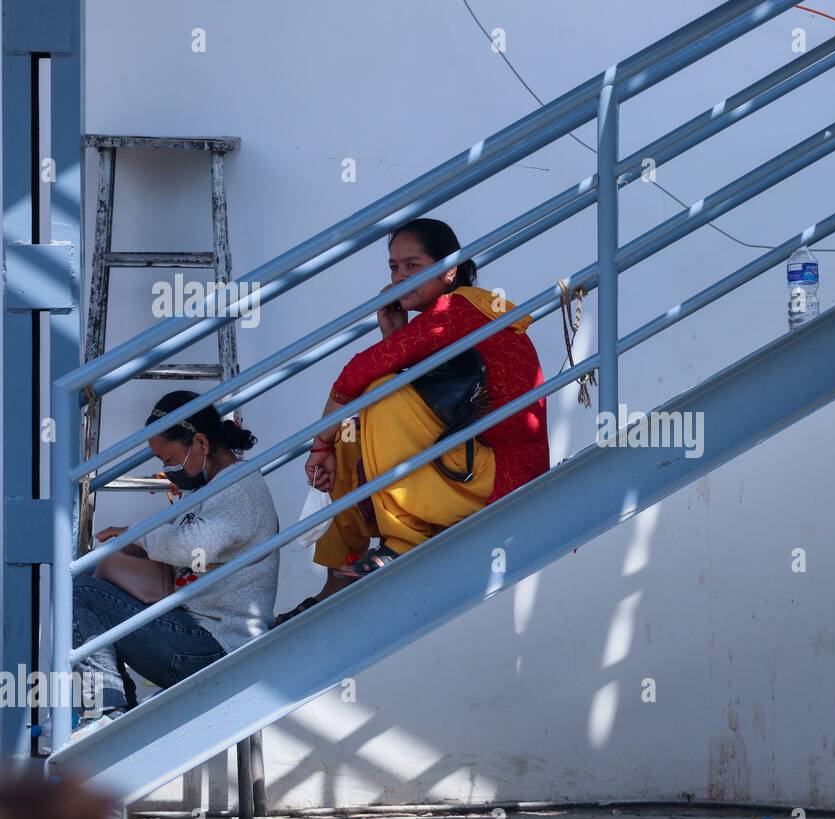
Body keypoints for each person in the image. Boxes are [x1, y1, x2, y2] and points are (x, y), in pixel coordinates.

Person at [274, 218, 549, 624]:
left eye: (412, 266)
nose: (400, 277)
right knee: (356, 432)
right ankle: (335, 583)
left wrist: (320, 446)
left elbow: (358, 373)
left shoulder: (458, 308)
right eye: (393, 268)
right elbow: (433, 393)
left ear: (449, 270)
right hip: (465, 465)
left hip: (499, 479)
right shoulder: (448, 315)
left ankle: (404, 540)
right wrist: (394, 334)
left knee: (379, 395)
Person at [71, 393, 279, 739]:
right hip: (198, 633)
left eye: (168, 458)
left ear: (200, 442)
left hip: (218, 645)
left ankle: (105, 710)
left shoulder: (239, 486)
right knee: (89, 586)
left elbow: (191, 546)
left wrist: (136, 535)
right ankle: (108, 708)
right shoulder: (213, 488)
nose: (165, 469)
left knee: (81, 593)